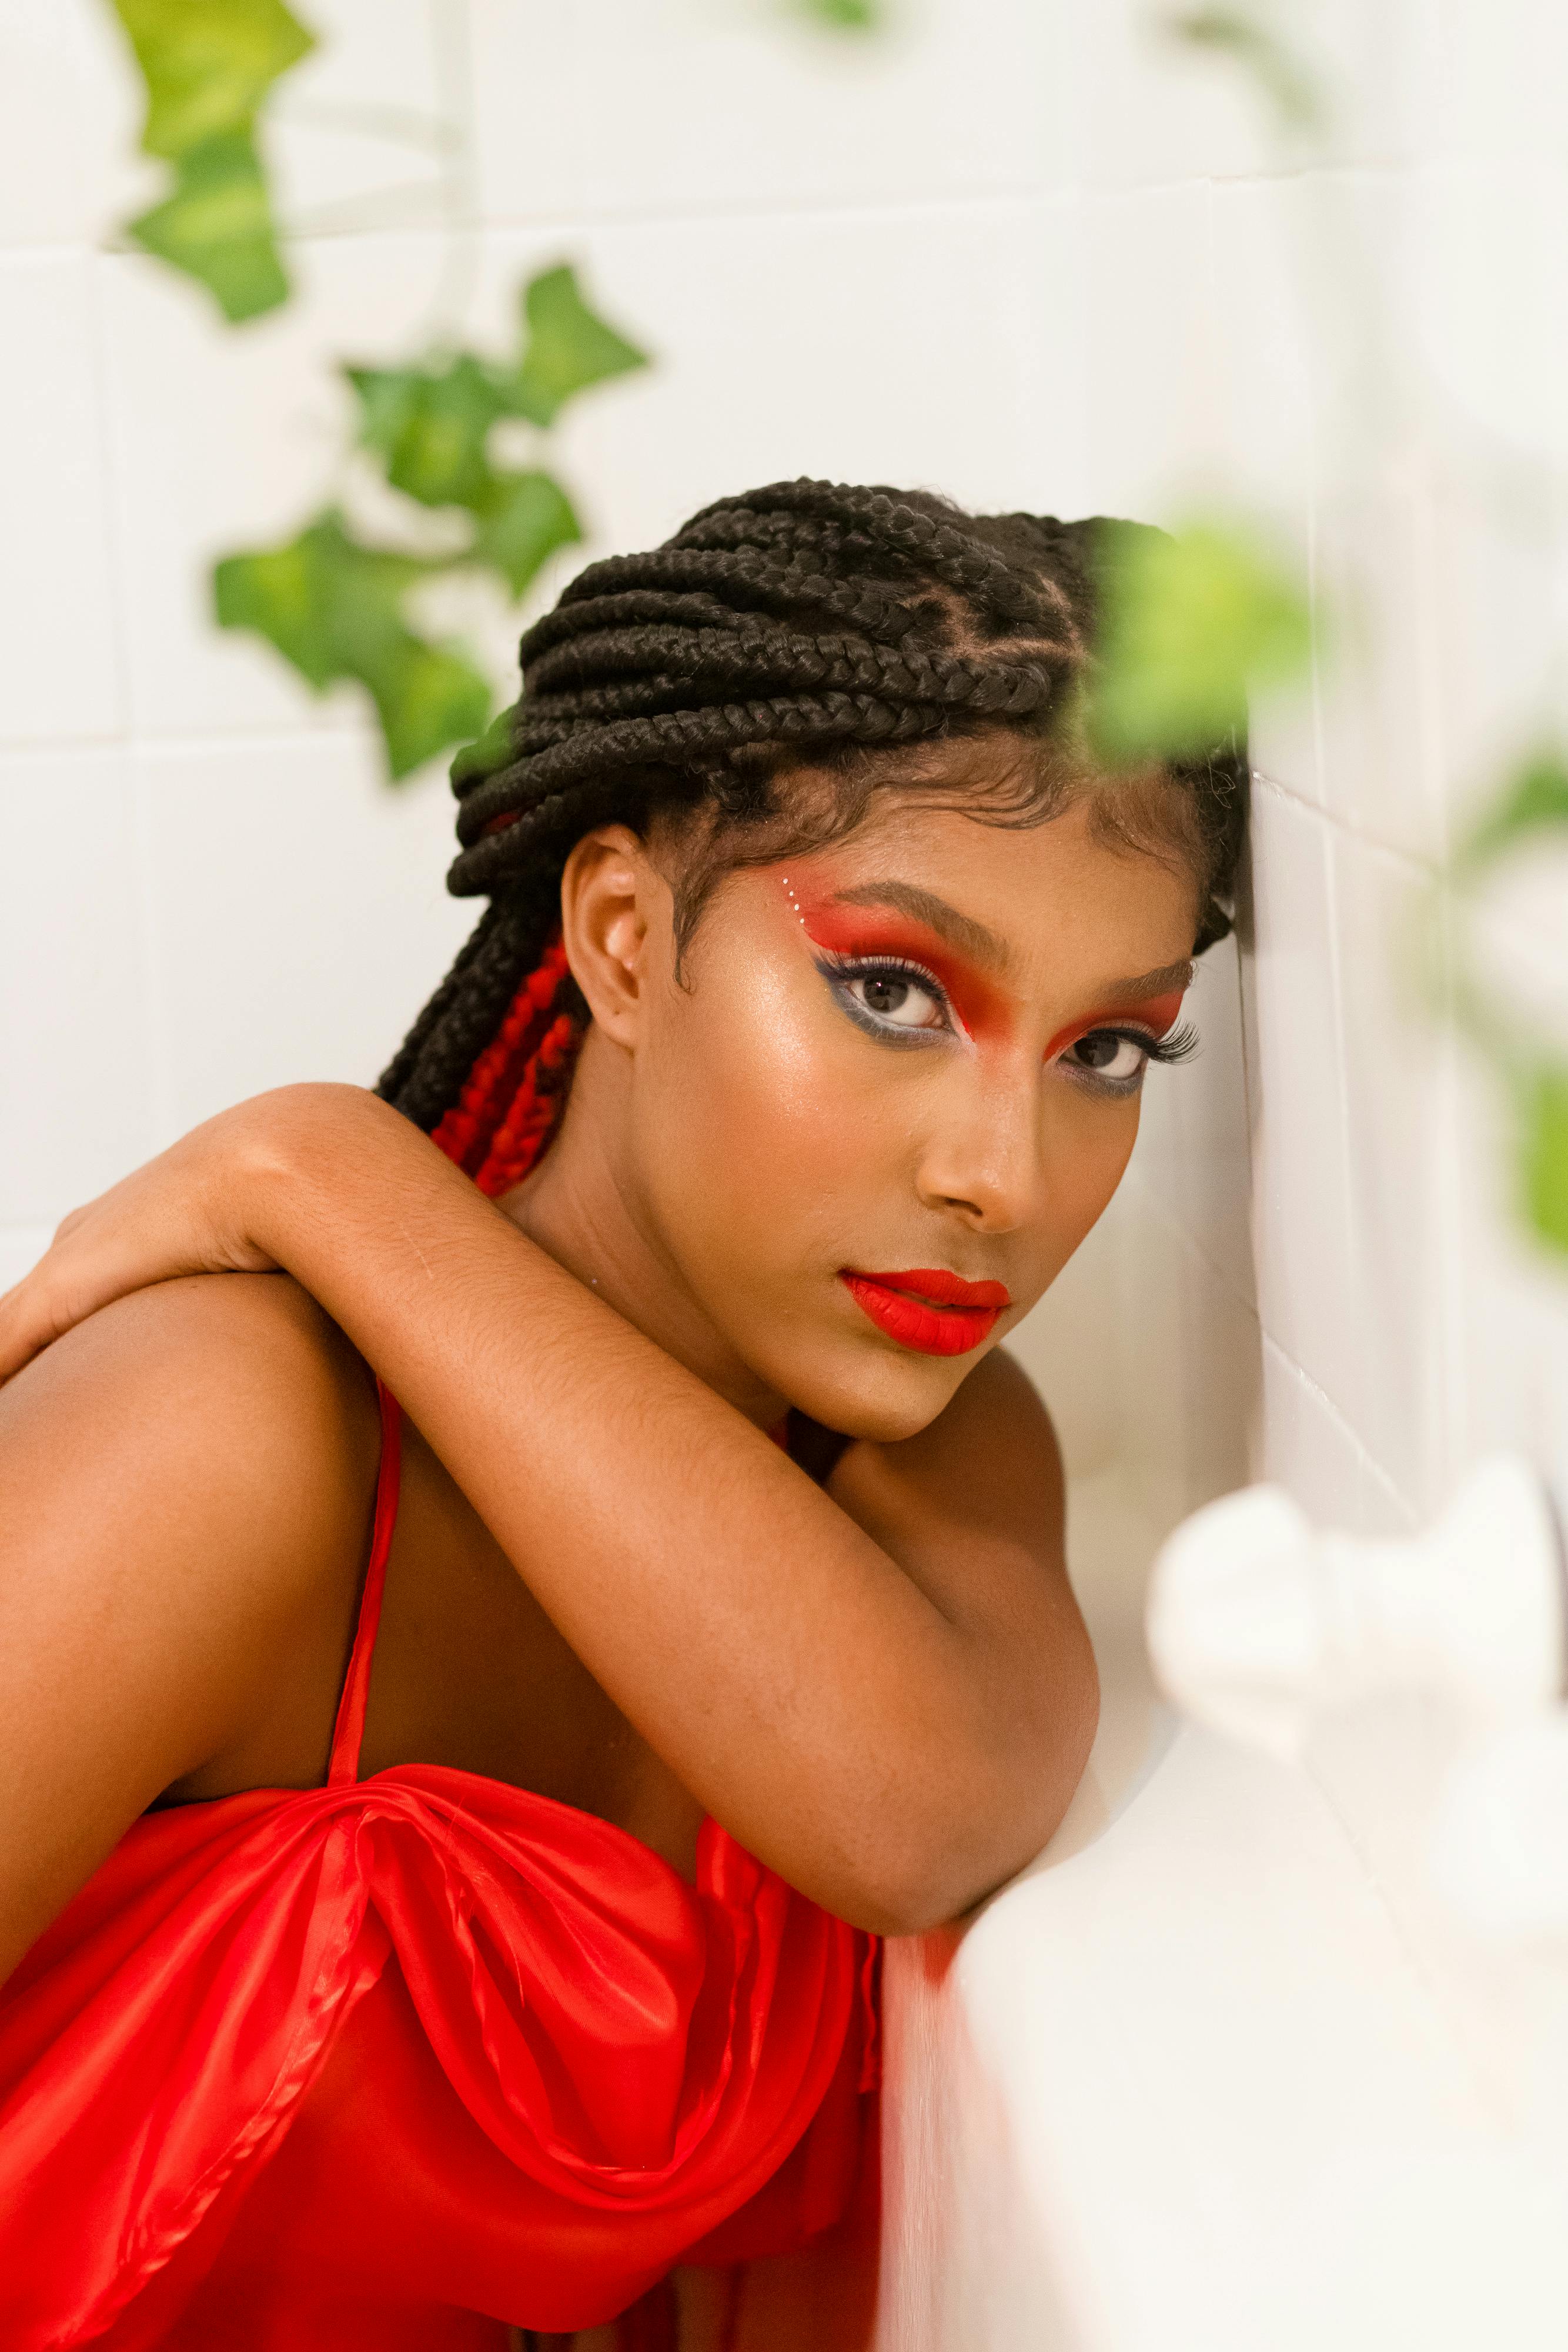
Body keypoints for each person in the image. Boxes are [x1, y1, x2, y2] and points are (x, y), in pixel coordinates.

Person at [0, 480, 1245, 2350]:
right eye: (895, 990)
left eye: (1103, 1050)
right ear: (620, 939)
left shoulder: (927, 1468)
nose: (1004, 1174)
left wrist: (331, 1171)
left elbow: (914, 1817)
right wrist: (327, 1182)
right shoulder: (226, 1435)